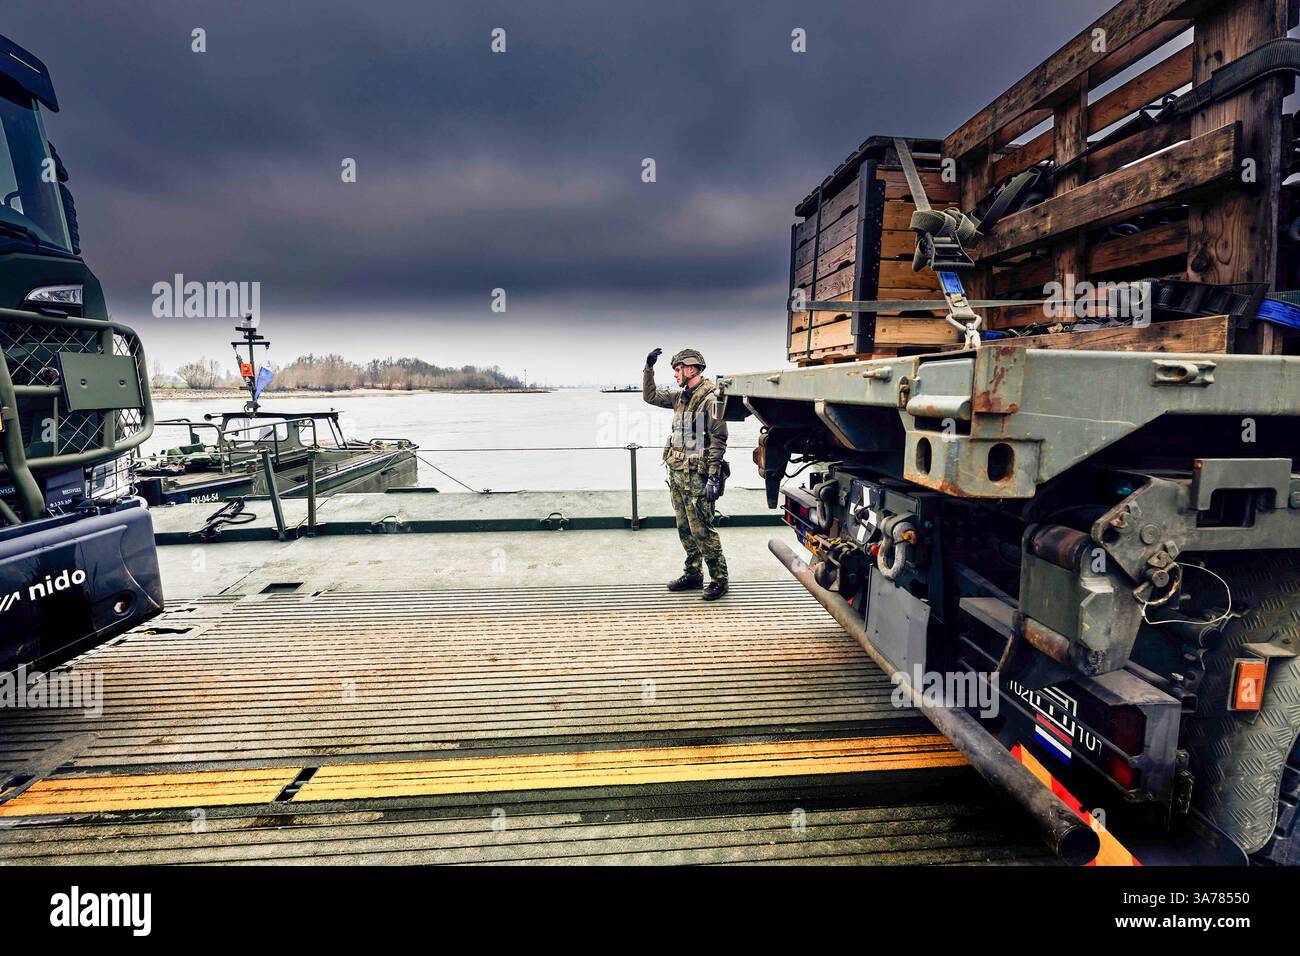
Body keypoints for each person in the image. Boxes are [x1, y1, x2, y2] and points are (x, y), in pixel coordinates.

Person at [642, 346, 729, 600]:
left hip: (698, 476)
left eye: (677, 369)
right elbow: (650, 396)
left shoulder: (710, 399)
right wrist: (649, 368)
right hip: (678, 472)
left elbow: (718, 440)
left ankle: (719, 579)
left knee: (702, 529)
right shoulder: (680, 397)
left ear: (691, 369)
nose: (675, 374)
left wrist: (713, 476)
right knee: (685, 528)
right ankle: (693, 574)